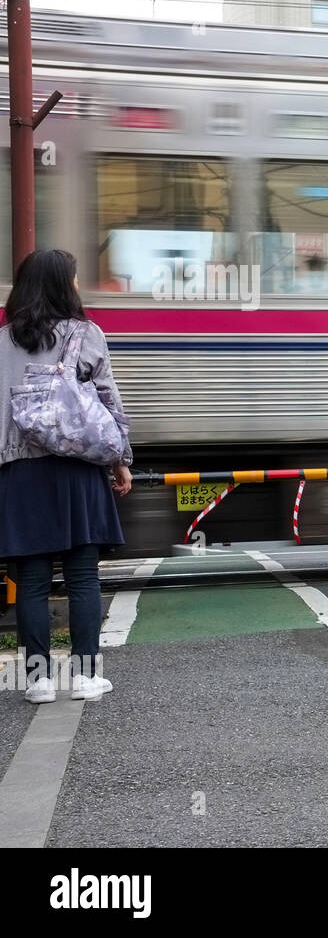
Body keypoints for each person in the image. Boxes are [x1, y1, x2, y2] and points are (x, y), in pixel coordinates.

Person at [0, 249, 133, 703]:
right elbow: (108, 404)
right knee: (81, 576)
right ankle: (86, 675)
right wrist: (120, 460)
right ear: (63, 285)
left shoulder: (2, 341)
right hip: (78, 470)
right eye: (75, 279)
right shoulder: (87, 334)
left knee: (33, 580)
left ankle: (37, 681)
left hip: (21, 474)